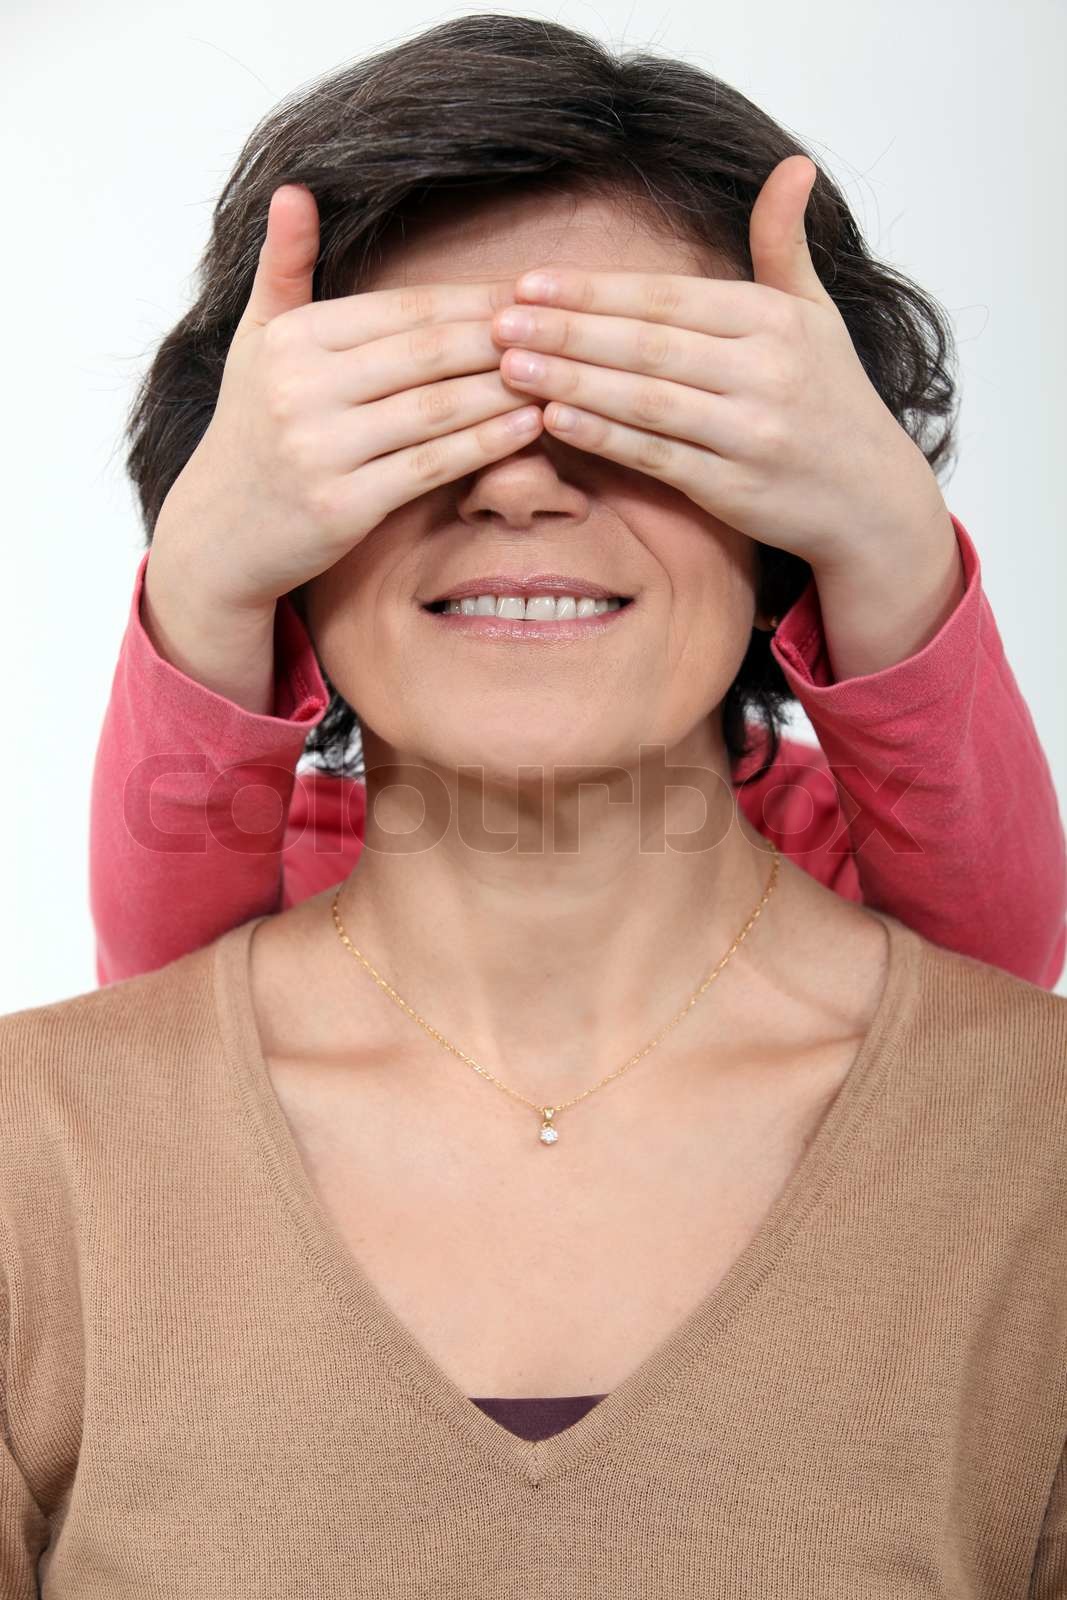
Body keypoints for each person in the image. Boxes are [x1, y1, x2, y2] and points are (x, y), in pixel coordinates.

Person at [3, 17, 1065, 1595]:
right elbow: (152, 1043)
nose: (517, 483)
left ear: (796, 515)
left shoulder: (1018, 1136)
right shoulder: (56, 1151)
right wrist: (211, 572)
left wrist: (884, 538)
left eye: (648, 405)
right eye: (414, 409)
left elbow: (991, 984)